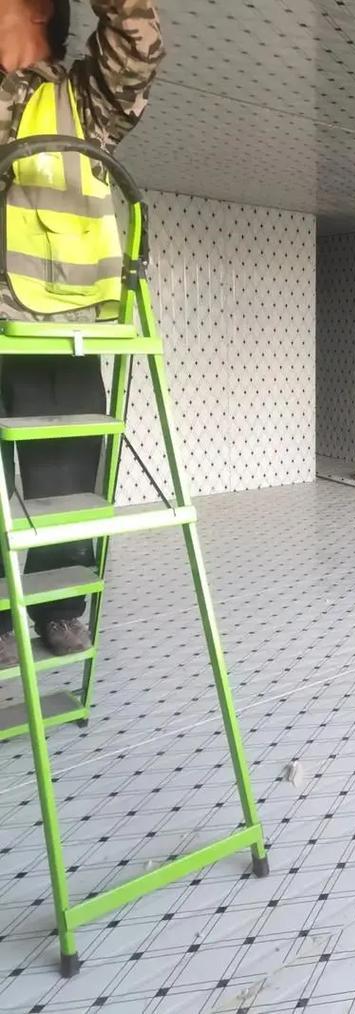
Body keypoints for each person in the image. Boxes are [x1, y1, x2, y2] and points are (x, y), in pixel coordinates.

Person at [0, 0, 164, 665]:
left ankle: (58, 606)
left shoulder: (83, 101)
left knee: (63, 481)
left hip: (52, 324)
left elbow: (136, 36)